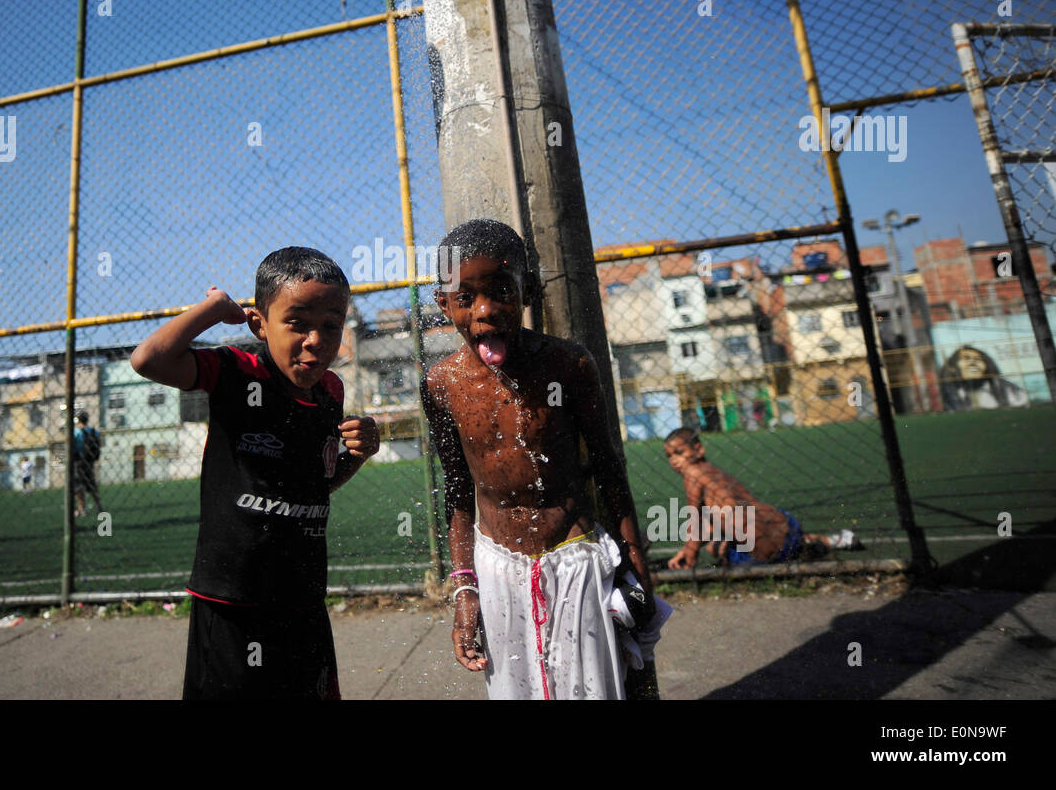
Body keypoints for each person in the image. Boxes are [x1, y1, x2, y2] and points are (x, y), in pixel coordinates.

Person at [421, 219, 666, 700]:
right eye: (465, 298)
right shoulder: (441, 383)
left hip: (575, 560)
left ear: (528, 290)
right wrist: (466, 590)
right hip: (497, 568)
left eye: (501, 292)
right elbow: (456, 492)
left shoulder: (568, 365)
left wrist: (636, 563)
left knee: (593, 689)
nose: (485, 311)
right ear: (443, 304)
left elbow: (608, 467)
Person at [129, 246, 379, 700]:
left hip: (303, 597)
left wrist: (356, 457)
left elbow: (314, 486)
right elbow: (149, 360)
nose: (316, 340)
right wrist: (211, 309)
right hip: (231, 599)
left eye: (330, 325)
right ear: (259, 324)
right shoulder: (236, 372)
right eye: (298, 323)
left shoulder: (331, 390)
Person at [662, 426, 860, 568]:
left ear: (699, 450)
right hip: (787, 523)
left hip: (765, 552)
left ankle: (800, 553)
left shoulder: (693, 473)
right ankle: (835, 540)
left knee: (715, 548)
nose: (674, 461)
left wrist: (690, 558)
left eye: (679, 452)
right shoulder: (719, 476)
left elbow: (696, 524)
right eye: (669, 456)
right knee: (742, 528)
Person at [72, 412, 104, 517]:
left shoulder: (76, 432)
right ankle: (99, 506)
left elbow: (72, 448)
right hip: (89, 462)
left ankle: (81, 508)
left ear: (78, 420)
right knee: (92, 484)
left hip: (78, 462)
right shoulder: (93, 432)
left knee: (79, 486)